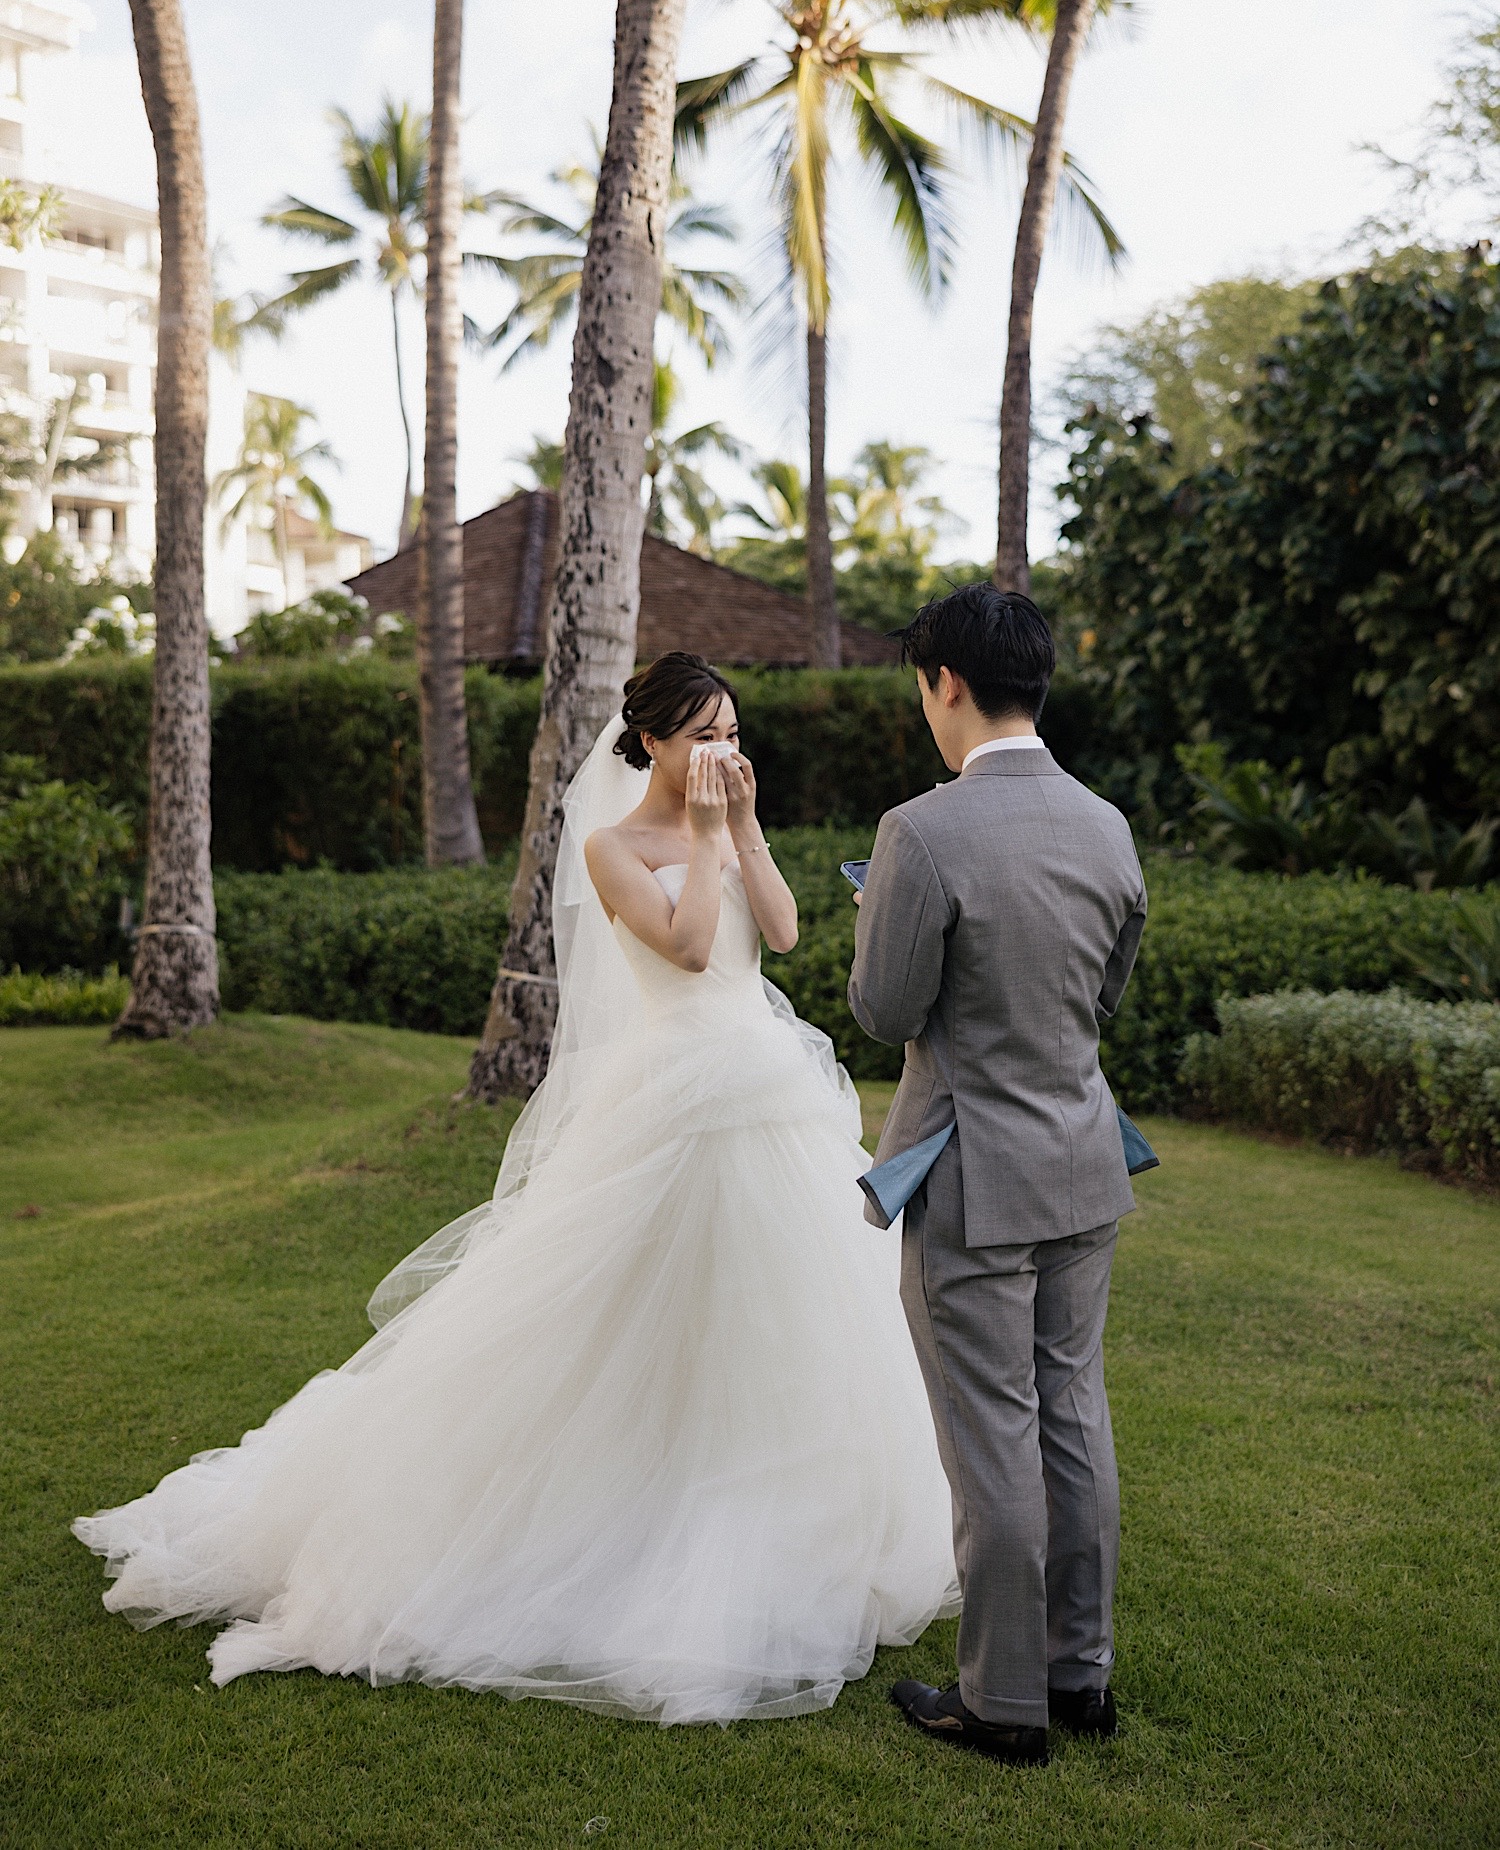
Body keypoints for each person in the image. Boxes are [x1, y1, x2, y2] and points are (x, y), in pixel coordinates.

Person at [74, 652, 957, 1723]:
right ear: (650, 742)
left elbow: (781, 932)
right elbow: (687, 950)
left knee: (776, 1316)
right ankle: (608, 1509)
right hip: (671, 1096)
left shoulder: (729, 821)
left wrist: (745, 827)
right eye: (702, 735)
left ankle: (763, 1506)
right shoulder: (611, 846)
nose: (722, 751)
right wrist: (709, 836)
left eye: (732, 731)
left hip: (764, 1088)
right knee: (631, 1314)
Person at [848, 585, 1148, 1769]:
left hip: (974, 1174)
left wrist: (882, 918)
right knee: (1073, 1413)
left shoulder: (921, 834)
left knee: (992, 1440)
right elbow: (1103, 993)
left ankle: (1003, 1701)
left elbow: (885, 1011)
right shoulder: (1107, 824)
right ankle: (1081, 1676)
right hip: (1083, 1159)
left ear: (949, 685)